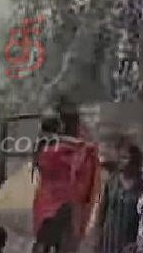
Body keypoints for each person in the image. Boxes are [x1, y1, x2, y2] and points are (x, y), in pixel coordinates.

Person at [32, 102, 99, 253]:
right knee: (64, 241)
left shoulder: (41, 149)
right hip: (63, 202)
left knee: (42, 240)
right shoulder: (65, 150)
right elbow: (86, 148)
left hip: (45, 201)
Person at [98, 143, 142, 253]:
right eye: (121, 157)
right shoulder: (112, 181)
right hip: (109, 238)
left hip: (129, 240)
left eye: (126, 158)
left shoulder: (141, 186)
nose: (122, 161)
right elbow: (102, 211)